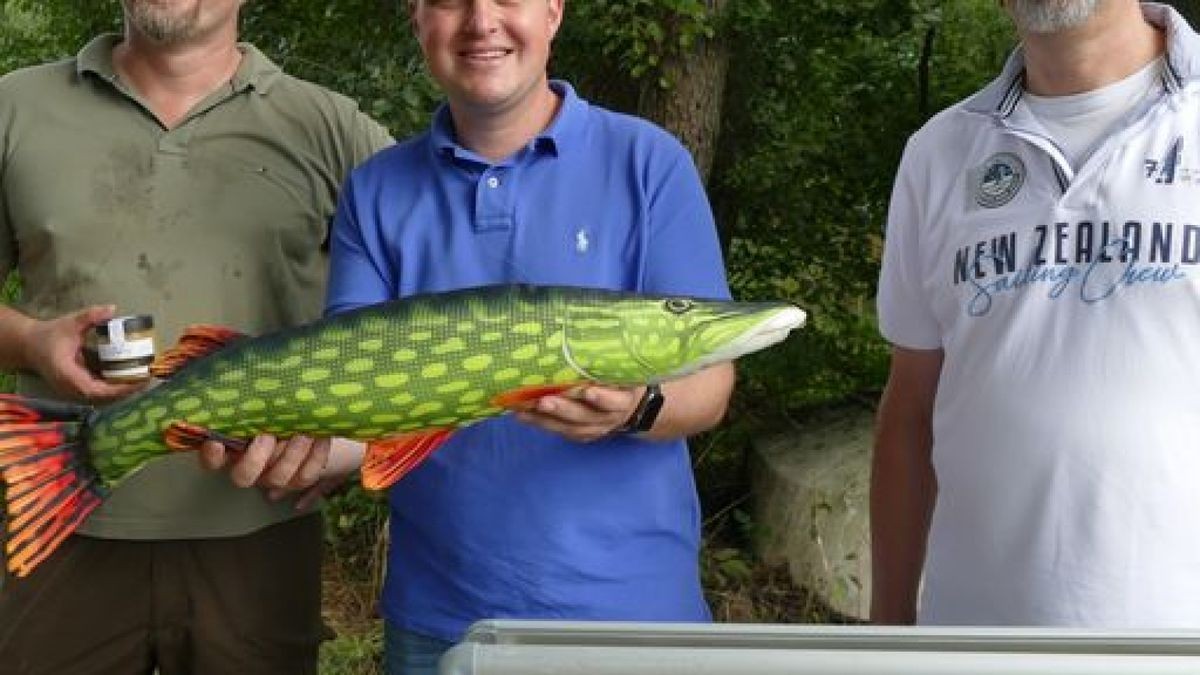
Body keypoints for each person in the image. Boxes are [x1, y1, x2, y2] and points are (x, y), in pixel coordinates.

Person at [325, 0, 735, 671]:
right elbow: (353, 401)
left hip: (637, 621)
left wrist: (638, 408)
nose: (480, 20)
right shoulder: (375, 190)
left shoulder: (649, 162)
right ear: (418, 20)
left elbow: (711, 381)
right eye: (450, 1)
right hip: (441, 626)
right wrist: (283, 447)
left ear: (553, 12)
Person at [0, 0, 391, 672]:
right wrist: (33, 342)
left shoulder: (332, 128)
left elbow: (435, 316)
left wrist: (352, 447)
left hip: (259, 532)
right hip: (57, 519)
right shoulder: (14, 106)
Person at [872, 0, 1200, 627]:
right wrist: (888, 628)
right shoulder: (939, 151)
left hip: (1178, 637)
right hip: (973, 636)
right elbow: (910, 409)